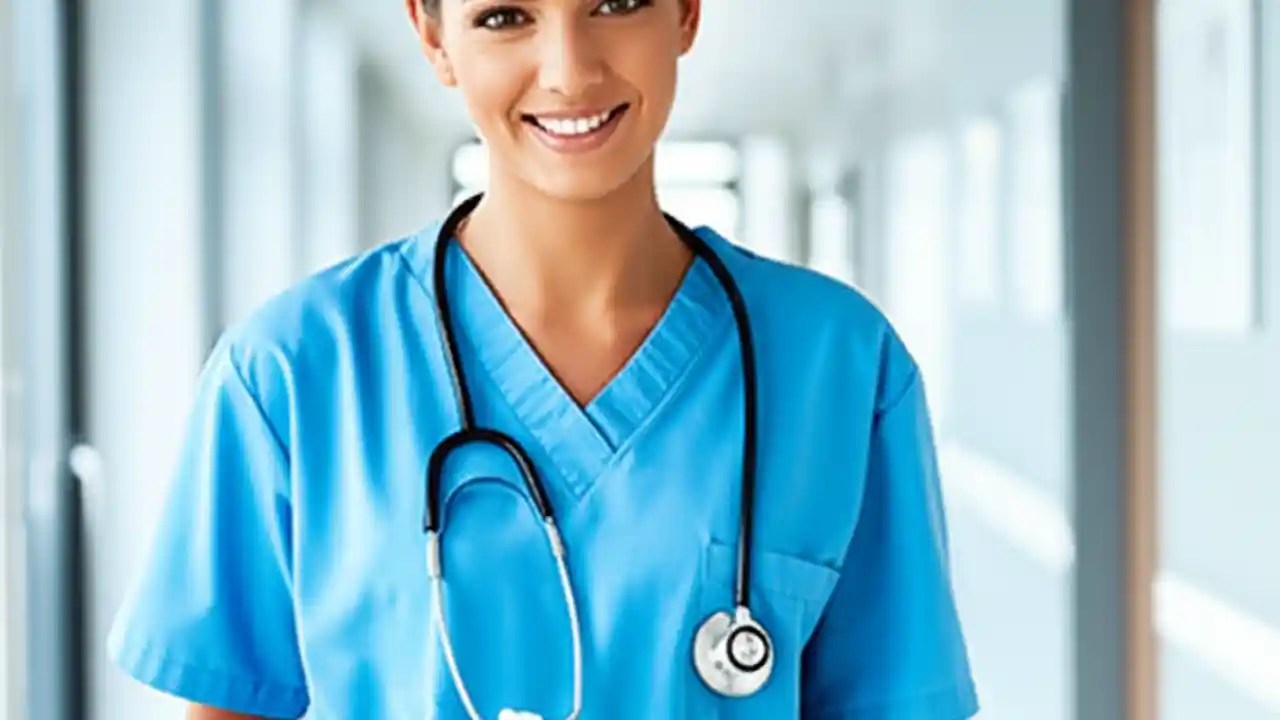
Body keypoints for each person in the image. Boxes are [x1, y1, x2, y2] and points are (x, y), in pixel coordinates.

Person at [106, 0, 980, 718]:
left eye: (617, 3)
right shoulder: (292, 374)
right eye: (504, 17)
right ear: (431, 34)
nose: (569, 68)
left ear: (685, 12)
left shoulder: (838, 365)